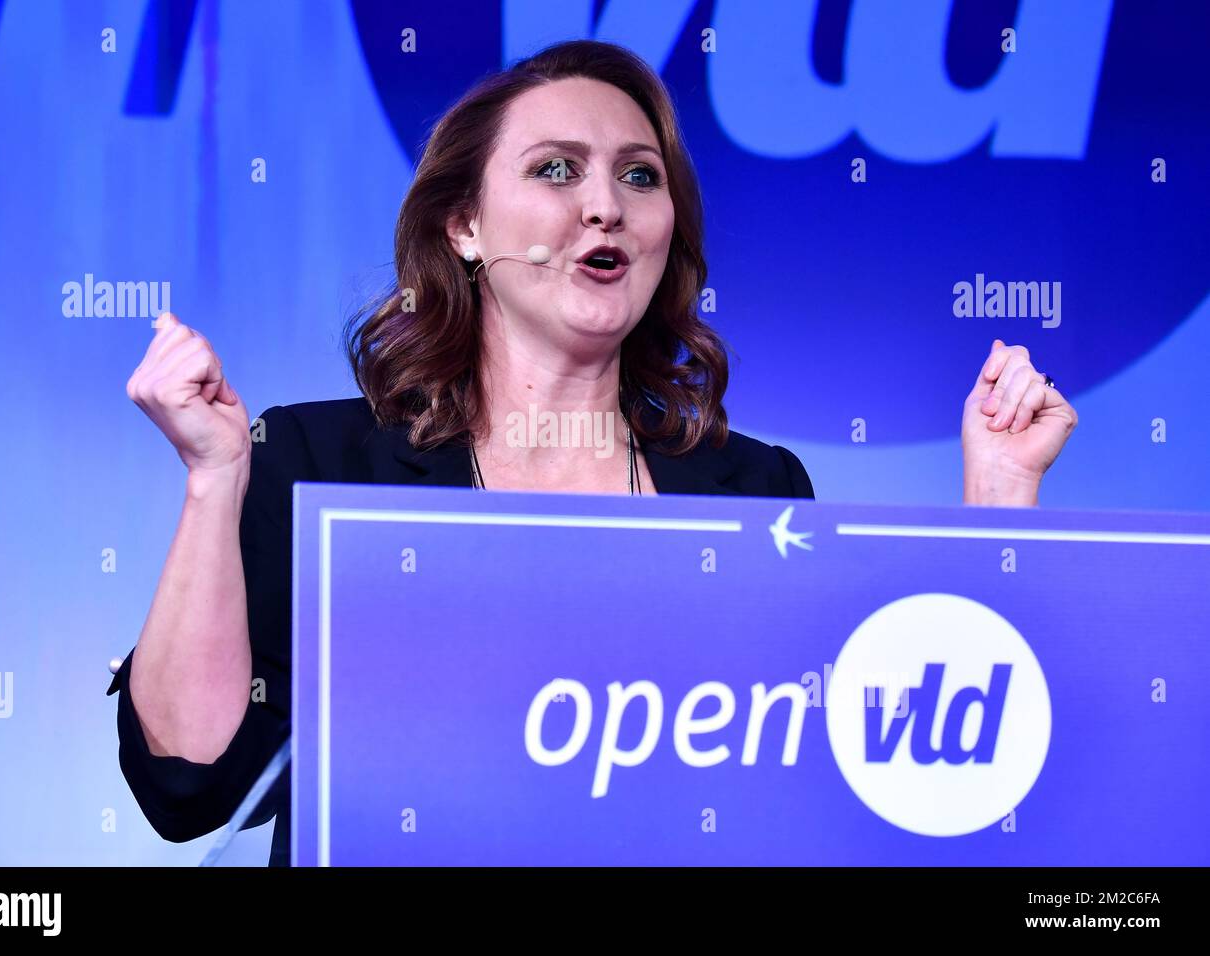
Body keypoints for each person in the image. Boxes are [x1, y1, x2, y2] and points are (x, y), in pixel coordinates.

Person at [108, 40, 1078, 867]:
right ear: (465, 226)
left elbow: (874, 784)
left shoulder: (753, 488)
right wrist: (214, 476)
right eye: (556, 169)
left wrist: (996, 500)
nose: (605, 204)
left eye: (638, 174)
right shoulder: (317, 460)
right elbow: (189, 778)